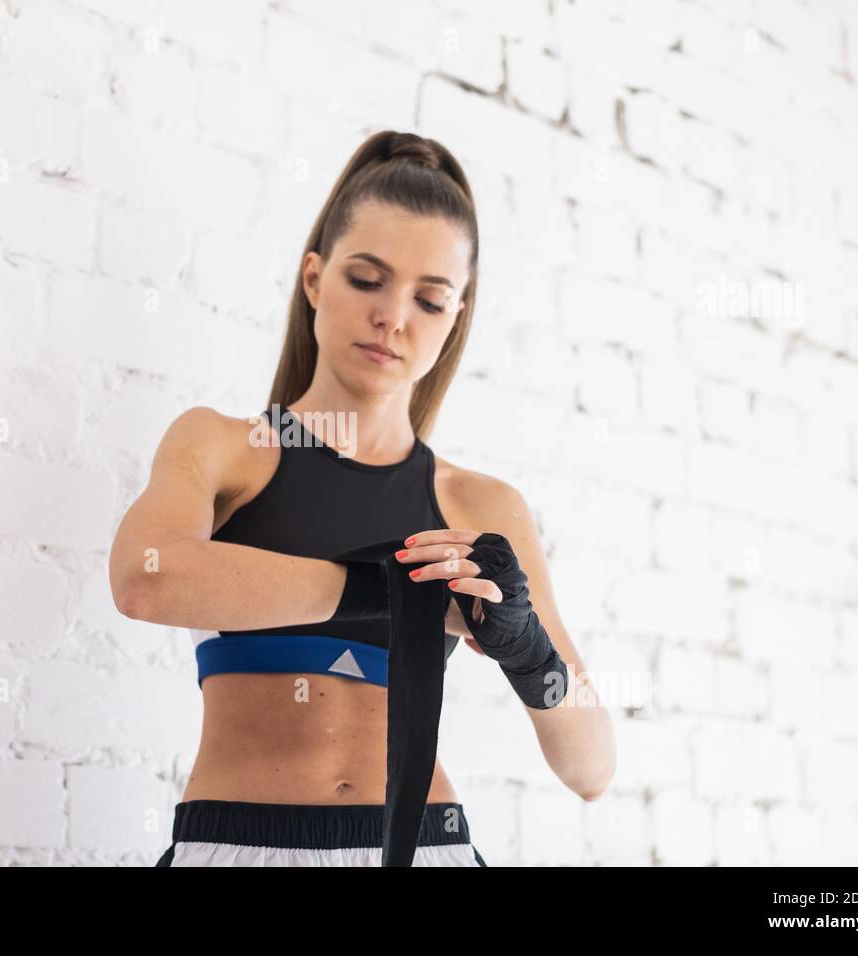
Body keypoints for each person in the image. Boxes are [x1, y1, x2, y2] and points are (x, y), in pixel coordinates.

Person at [109, 130, 615, 866]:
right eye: (367, 279)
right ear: (314, 279)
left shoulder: (480, 504)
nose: (394, 318)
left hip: (427, 849)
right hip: (238, 844)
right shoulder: (225, 448)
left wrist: (526, 647)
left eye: (431, 299)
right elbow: (145, 577)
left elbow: (591, 770)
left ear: (456, 319)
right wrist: (389, 592)